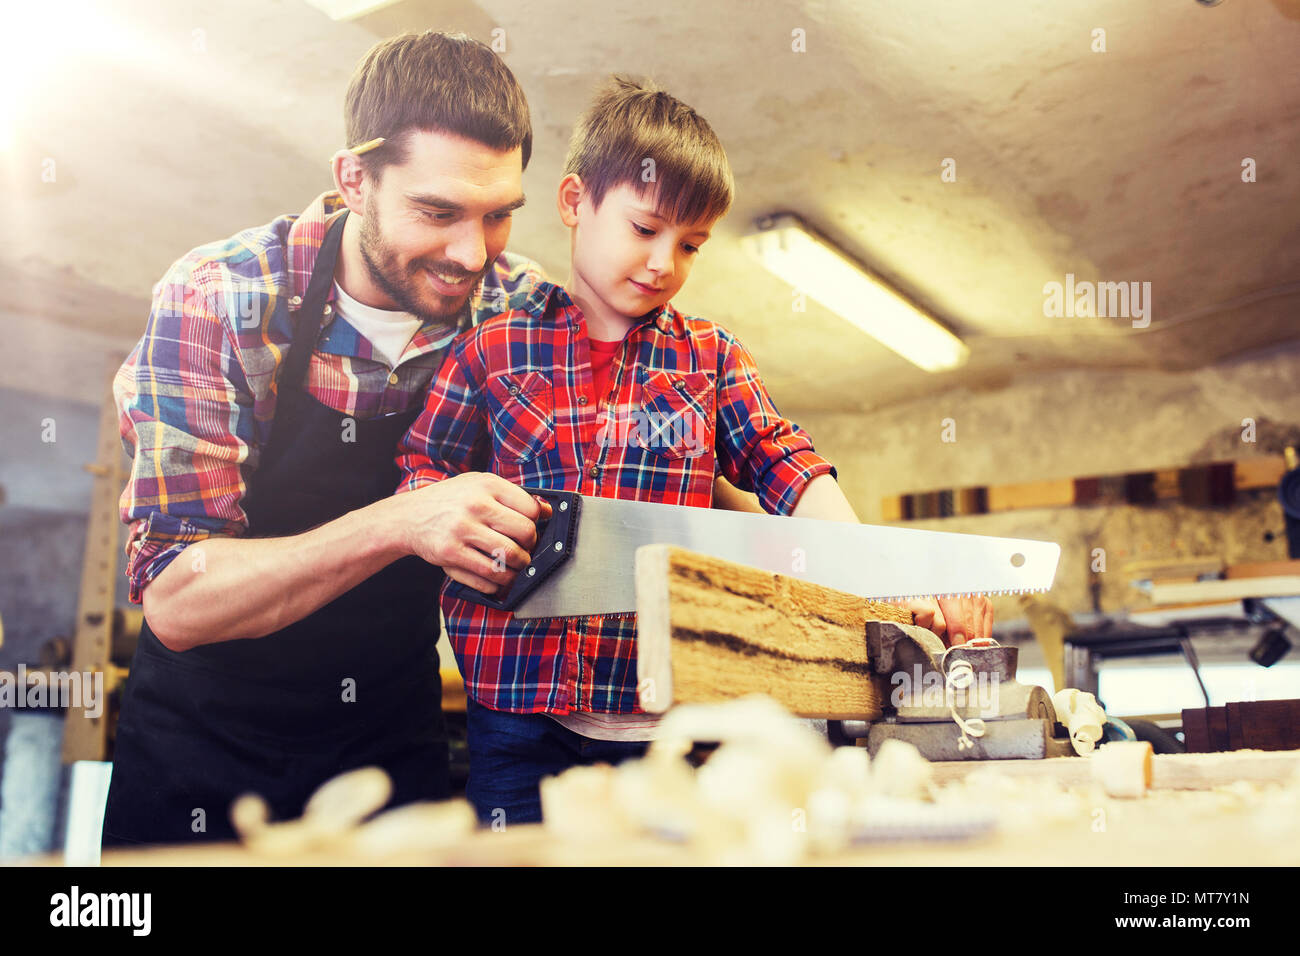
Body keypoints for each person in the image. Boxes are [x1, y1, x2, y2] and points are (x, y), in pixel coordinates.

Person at [395, 76, 991, 825]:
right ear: (576, 202)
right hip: (517, 715)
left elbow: (786, 465)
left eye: (691, 245)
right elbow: (421, 470)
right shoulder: (492, 350)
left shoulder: (711, 361)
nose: (663, 263)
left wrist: (878, 574)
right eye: (645, 230)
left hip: (670, 723)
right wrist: (449, 525)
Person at [101, 31, 551, 846]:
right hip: (201, 750)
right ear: (353, 179)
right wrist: (400, 522)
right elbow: (177, 598)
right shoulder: (222, 299)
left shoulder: (519, 313)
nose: (470, 253)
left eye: (498, 217)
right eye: (438, 212)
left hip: (389, 742)